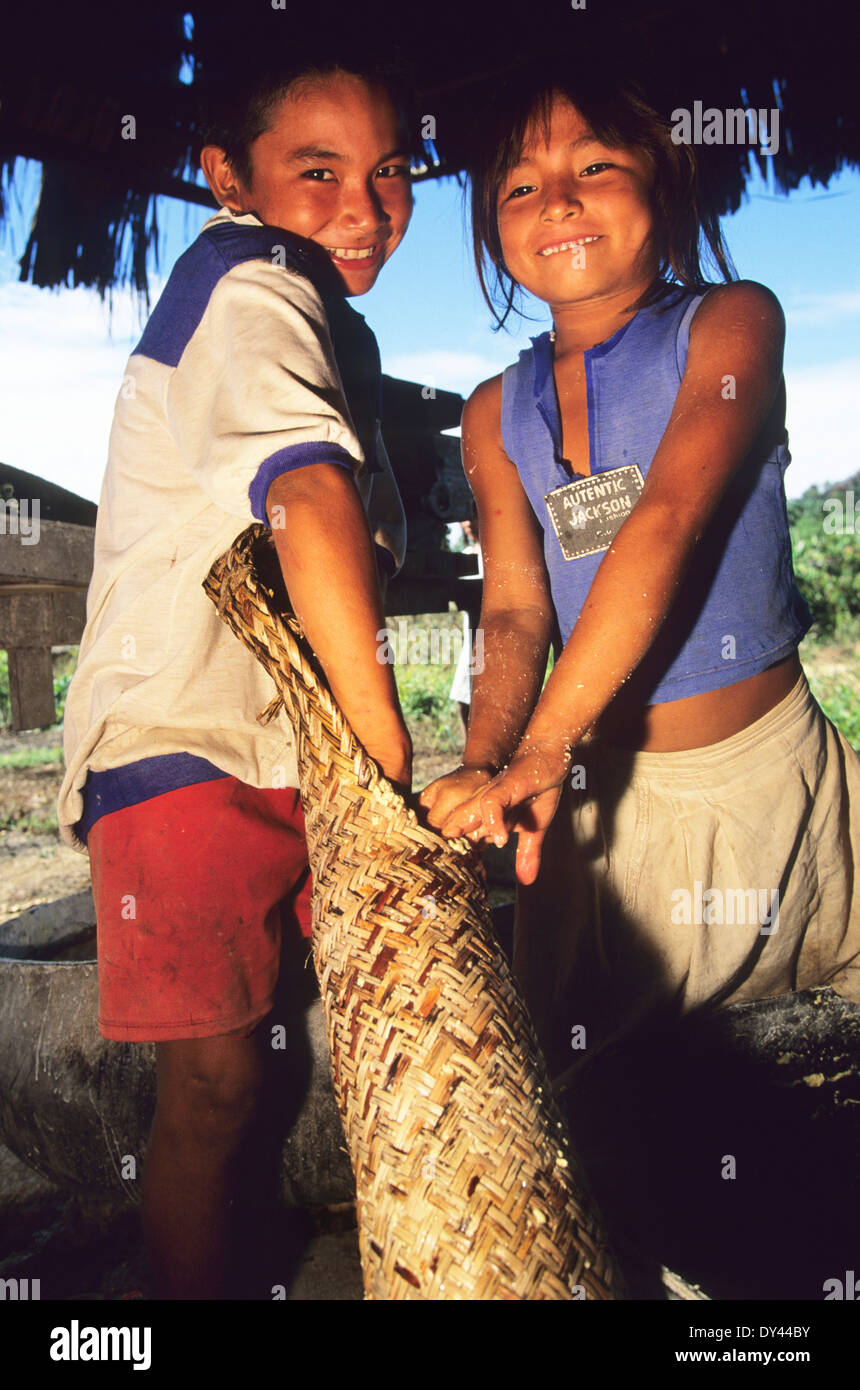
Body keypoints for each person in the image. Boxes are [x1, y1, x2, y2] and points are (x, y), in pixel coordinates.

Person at [419, 69, 860, 1076]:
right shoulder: (492, 411)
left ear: (659, 187)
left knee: (773, 1094)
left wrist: (538, 747)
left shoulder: (729, 324)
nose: (558, 201)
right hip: (590, 800)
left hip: (755, 782)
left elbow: (660, 524)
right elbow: (516, 611)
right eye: (520, 188)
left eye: (594, 167)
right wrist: (492, 761)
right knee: (595, 1109)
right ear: (493, 231)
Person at [57, 56, 414, 1297]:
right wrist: (388, 767)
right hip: (181, 737)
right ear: (228, 177)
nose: (363, 206)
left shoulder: (325, 314)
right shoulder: (249, 280)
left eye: (387, 171)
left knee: (303, 1041)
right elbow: (309, 497)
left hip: (277, 742)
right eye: (315, 173)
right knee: (213, 1077)